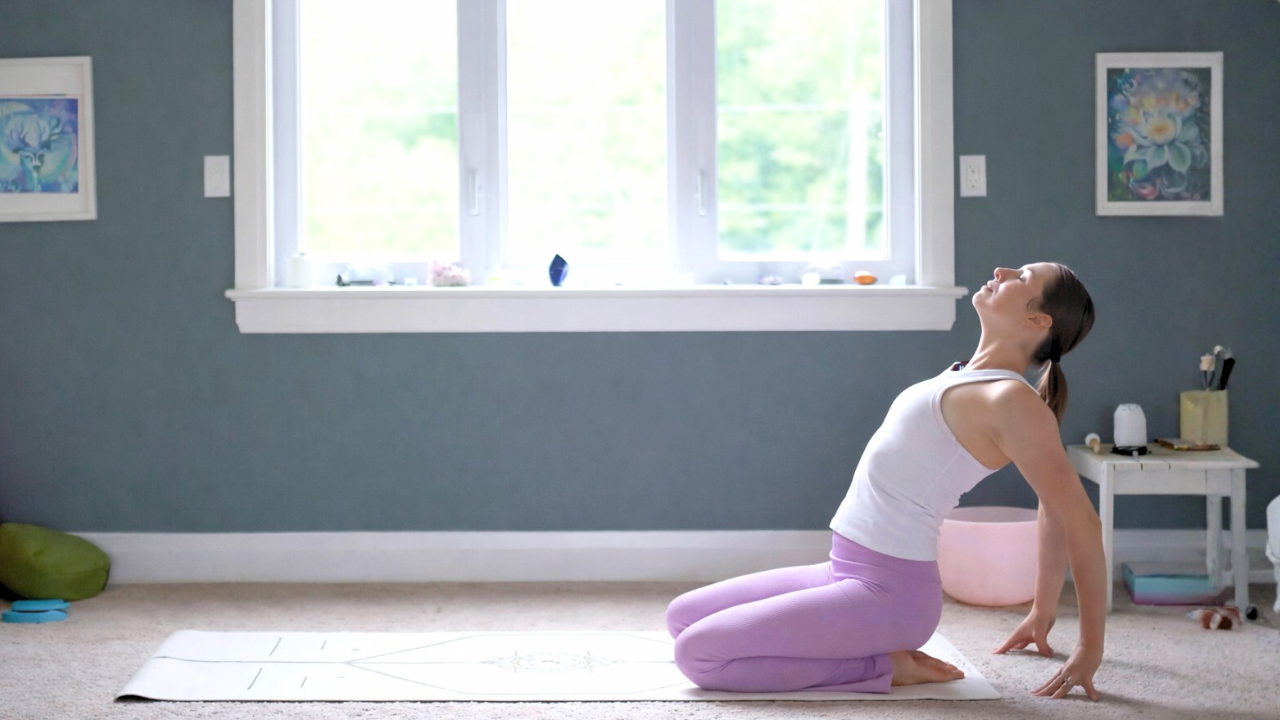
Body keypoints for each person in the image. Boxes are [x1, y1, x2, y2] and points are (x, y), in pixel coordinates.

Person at [666, 262, 1103, 701]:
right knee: (681, 618)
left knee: (699, 656)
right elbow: (1051, 508)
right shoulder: (964, 372)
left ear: (1037, 321)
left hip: (890, 595)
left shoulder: (1011, 401)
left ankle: (884, 667)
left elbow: (1078, 519)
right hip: (842, 568)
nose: (1002, 270)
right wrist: (1041, 610)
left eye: (1022, 277)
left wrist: (1089, 645)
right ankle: (862, 650)